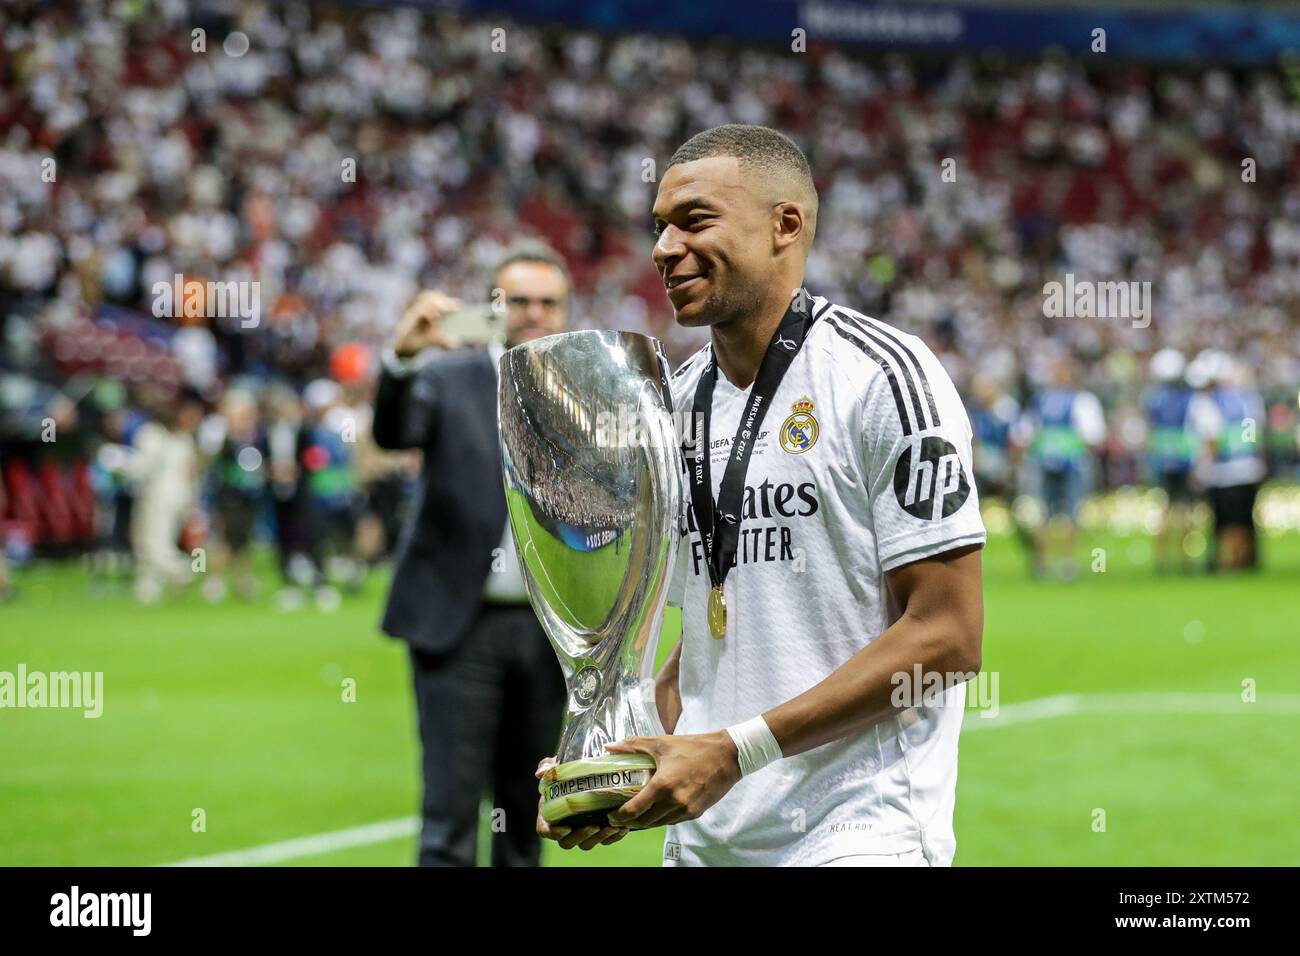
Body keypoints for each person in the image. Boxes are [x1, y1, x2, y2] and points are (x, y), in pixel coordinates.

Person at [539, 124, 985, 866]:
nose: (662, 248)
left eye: (695, 220)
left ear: (786, 225)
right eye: (658, 228)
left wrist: (733, 751)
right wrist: (625, 766)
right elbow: (719, 635)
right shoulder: (672, 405)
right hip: (709, 839)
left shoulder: (884, 378)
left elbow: (948, 637)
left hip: (857, 832)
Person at [373, 241, 570, 866]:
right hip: (458, 625)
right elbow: (392, 431)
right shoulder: (445, 374)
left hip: (547, 632)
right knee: (449, 818)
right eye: (519, 300)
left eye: (548, 302)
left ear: (565, 311)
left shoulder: (586, 387)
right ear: (492, 305)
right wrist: (402, 359)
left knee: (528, 820)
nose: (534, 313)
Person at [1014, 355, 1106, 579]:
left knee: (1044, 514)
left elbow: (1022, 435)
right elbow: (1094, 436)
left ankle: (1042, 564)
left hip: (1043, 462)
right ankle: (1067, 563)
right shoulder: (1082, 400)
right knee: (1071, 514)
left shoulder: (1041, 400)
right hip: (1072, 464)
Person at [1188, 351, 1267, 571]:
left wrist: (1201, 472)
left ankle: (1229, 565)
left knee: (1227, 521)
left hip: (1223, 472)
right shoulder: (1249, 398)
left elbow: (1212, 441)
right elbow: (1257, 436)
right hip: (1249, 468)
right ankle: (1246, 561)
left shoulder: (1207, 403)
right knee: (1245, 519)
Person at [1143, 349, 1199, 573]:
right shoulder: (1189, 398)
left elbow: (1150, 431)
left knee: (1165, 509)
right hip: (1184, 458)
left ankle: (1162, 559)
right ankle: (1185, 559)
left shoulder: (1153, 399)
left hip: (1162, 458)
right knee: (1186, 509)